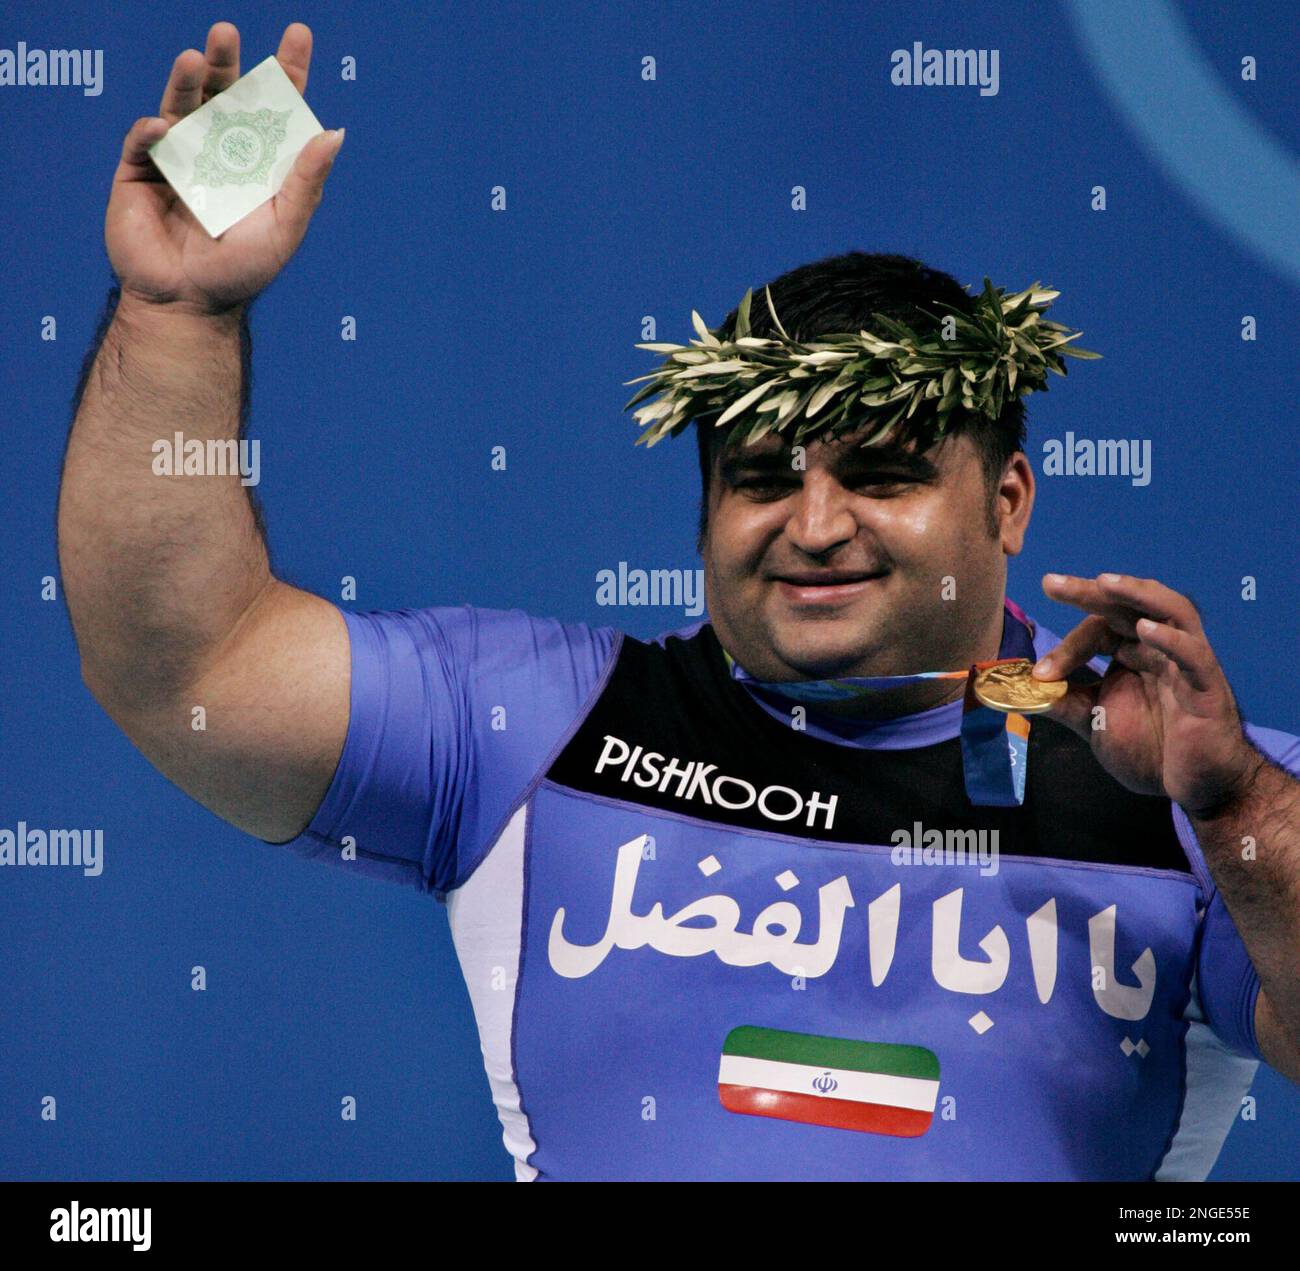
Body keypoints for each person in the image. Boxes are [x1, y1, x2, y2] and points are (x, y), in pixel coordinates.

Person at [59, 21, 1300, 1182]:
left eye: (878, 474)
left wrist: (1236, 800)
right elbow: (194, 665)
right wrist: (179, 315)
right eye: (761, 480)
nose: (814, 526)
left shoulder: (1181, 782)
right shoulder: (530, 727)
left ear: (1010, 501)